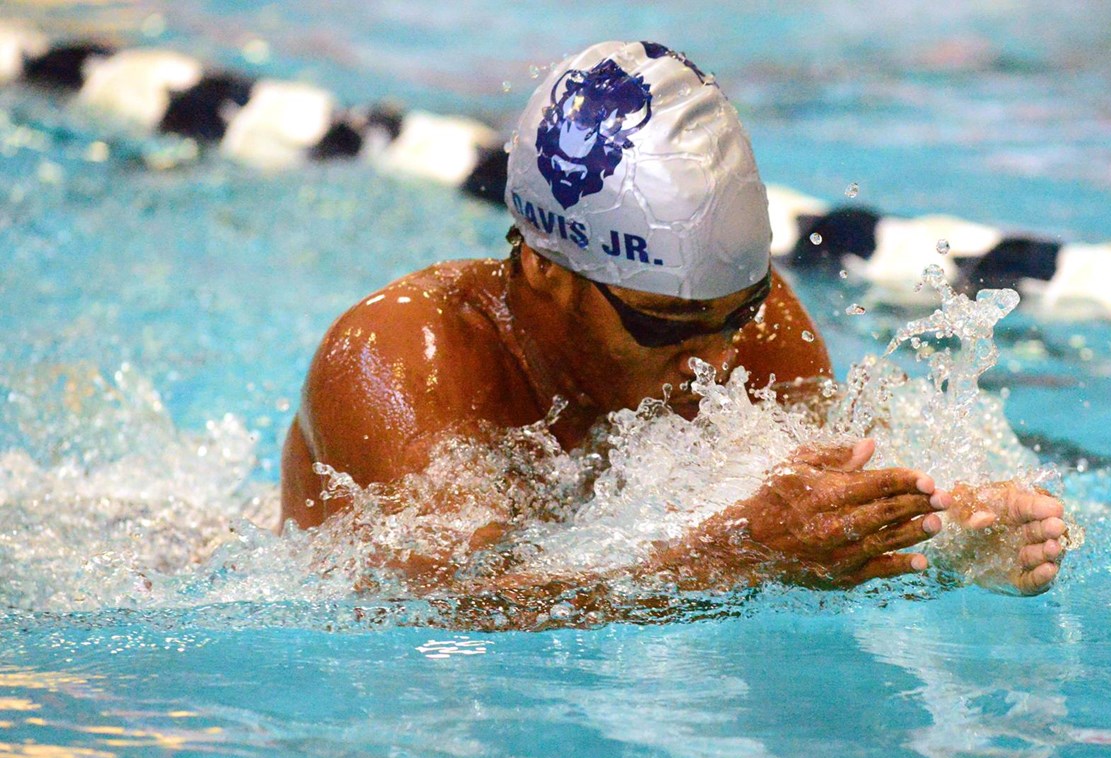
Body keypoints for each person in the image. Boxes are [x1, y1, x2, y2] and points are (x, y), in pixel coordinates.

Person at [280, 40, 1067, 601]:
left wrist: (951, 531)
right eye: (662, 327)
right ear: (545, 272)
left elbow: (821, 514)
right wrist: (732, 556)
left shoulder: (752, 329)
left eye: (736, 315)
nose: (715, 364)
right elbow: (453, 607)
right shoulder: (399, 362)